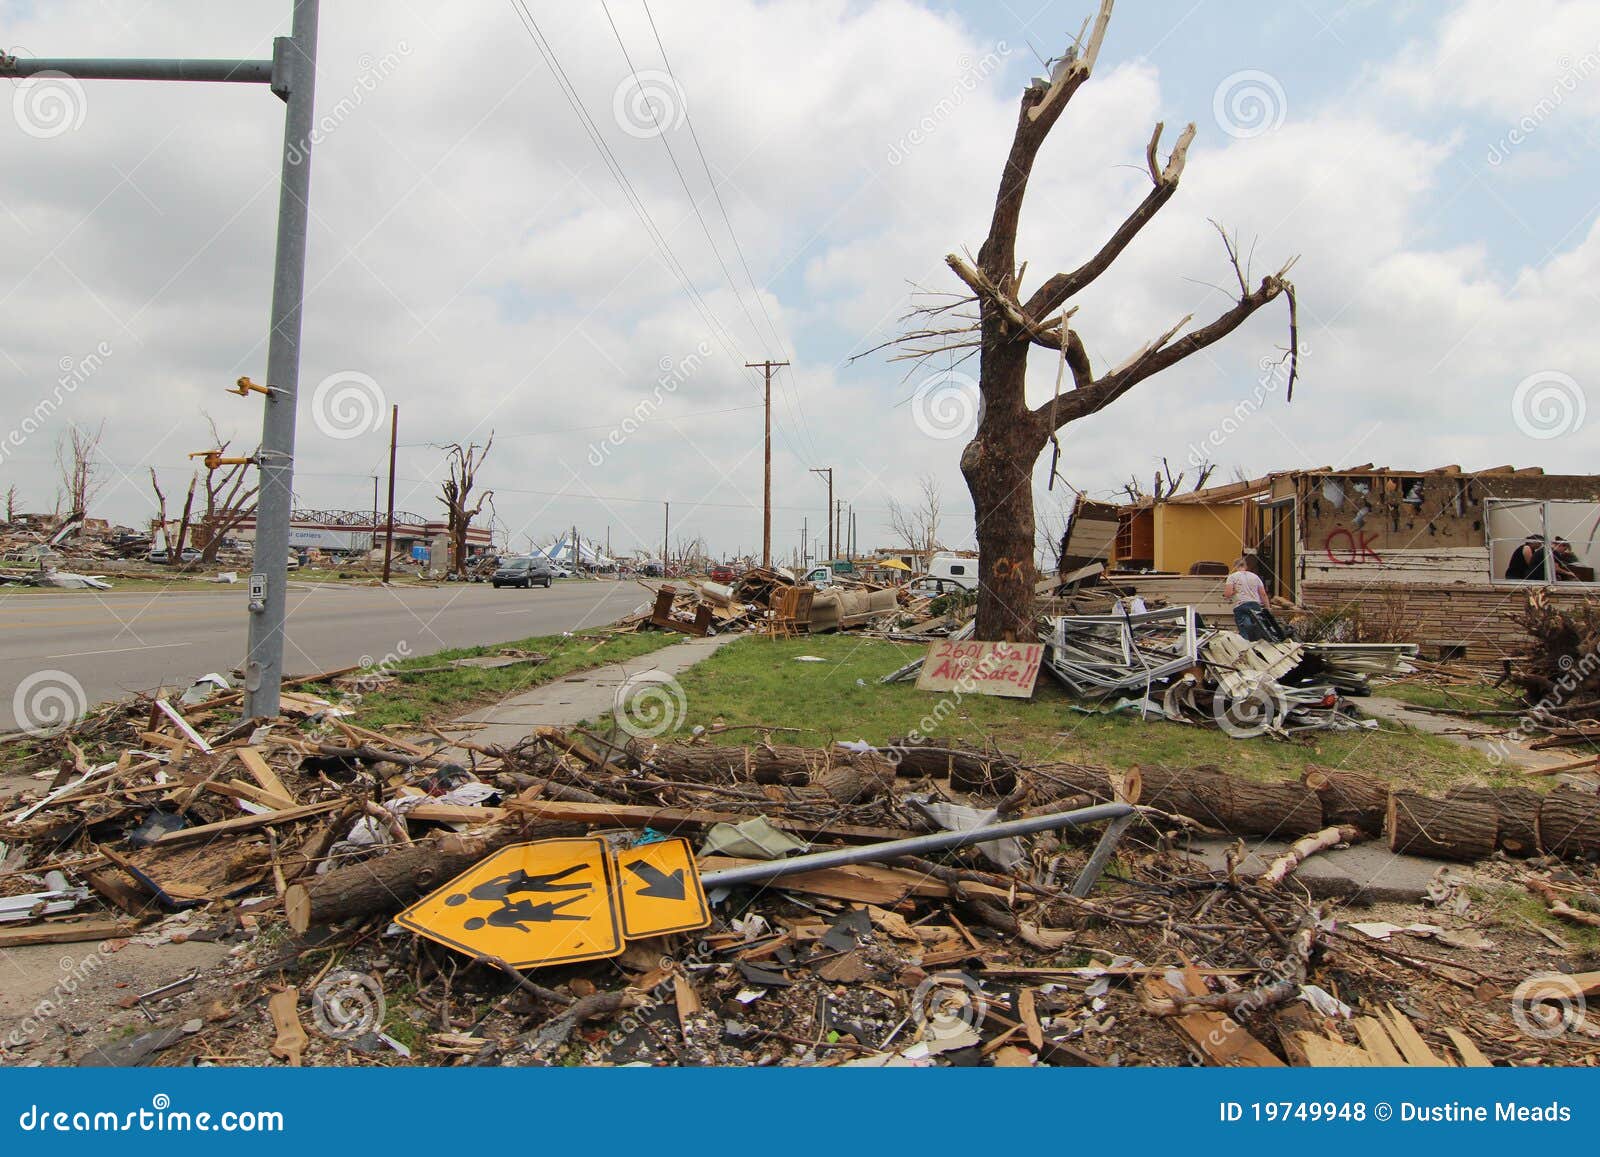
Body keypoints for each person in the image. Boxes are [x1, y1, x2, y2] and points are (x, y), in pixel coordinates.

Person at [1224, 556, 1273, 641]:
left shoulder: (1232, 577)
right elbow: (1263, 594)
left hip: (1241, 605)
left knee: (1244, 631)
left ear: (1235, 567)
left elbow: (1228, 594)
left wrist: (1234, 592)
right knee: (1257, 629)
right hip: (1255, 605)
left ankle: (1246, 645)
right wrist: (1268, 607)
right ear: (1246, 566)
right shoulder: (1255, 577)